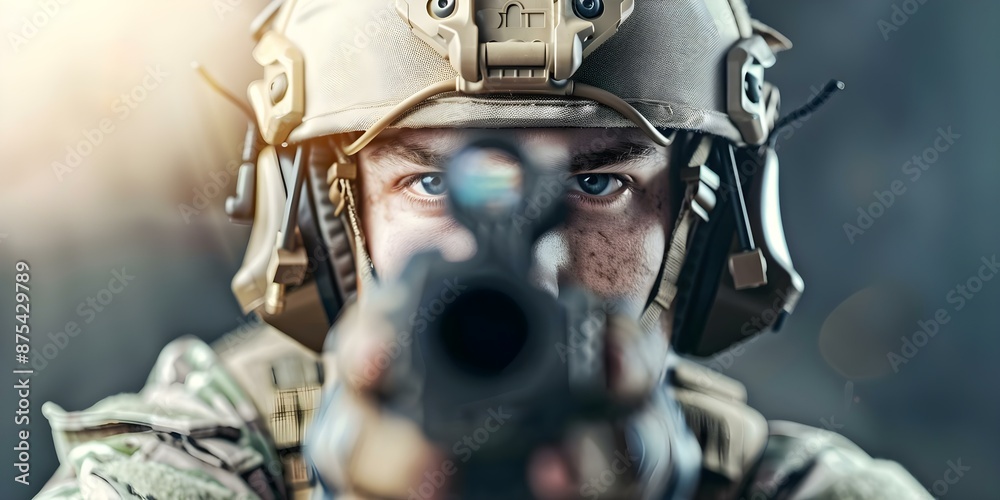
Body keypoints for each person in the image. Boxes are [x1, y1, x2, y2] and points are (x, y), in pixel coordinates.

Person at [38, 0, 931, 498]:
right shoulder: (185, 467)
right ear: (334, 217)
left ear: (698, 221)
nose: (529, 261)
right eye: (433, 183)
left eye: (597, 184)